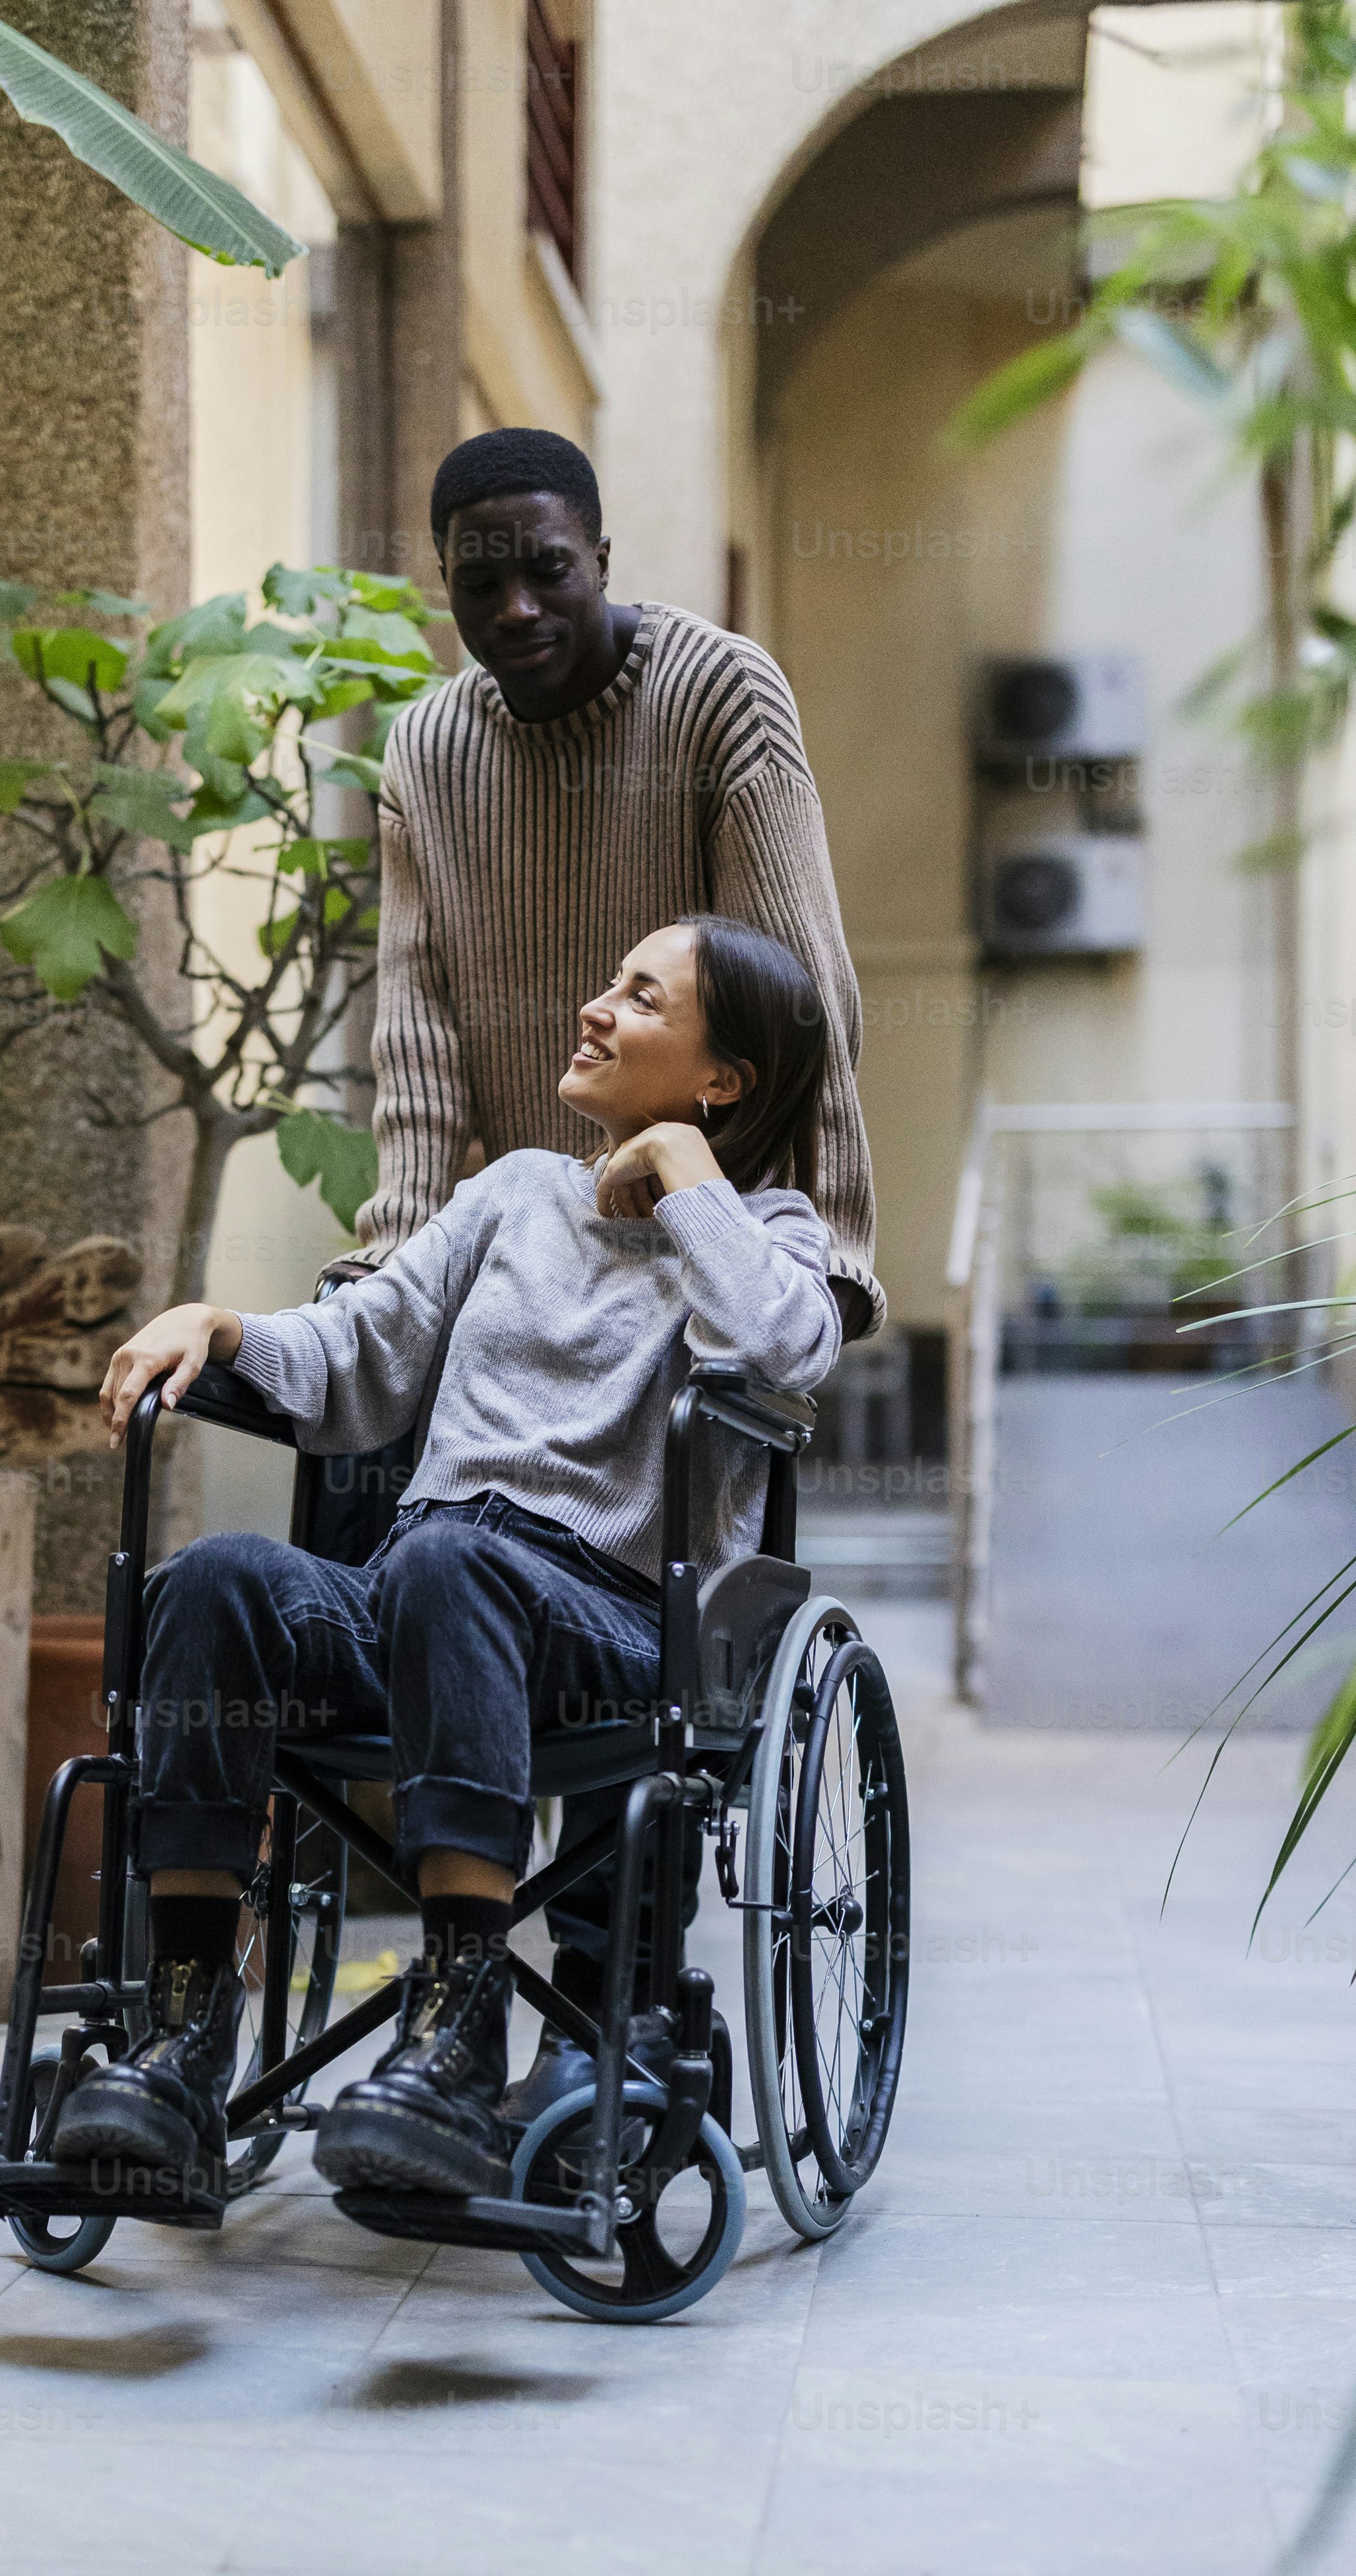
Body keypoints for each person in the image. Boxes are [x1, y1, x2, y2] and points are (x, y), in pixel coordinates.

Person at [56, 914, 839, 2200]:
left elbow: (785, 1347)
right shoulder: (512, 1193)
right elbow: (361, 1357)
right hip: (423, 1593)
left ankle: (457, 2034)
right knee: (215, 1582)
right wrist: (228, 1325)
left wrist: (687, 1174)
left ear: (723, 1078)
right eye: (609, 977)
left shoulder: (770, 1234)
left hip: (611, 1639)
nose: (595, 1007)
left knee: (449, 1569)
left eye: (641, 998)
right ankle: (184, 2036)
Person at [340, 425, 882, 2108]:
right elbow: (418, 1029)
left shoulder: (720, 698)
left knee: (613, 1592)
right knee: (418, 1548)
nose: (513, 605)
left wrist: (785, 1251)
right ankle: (434, 2022)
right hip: (515, 1238)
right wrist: (400, 1265)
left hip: (693, 1239)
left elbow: (797, 999)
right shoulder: (429, 746)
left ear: (600, 550)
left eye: (544, 569)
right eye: (476, 580)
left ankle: (615, 1998)